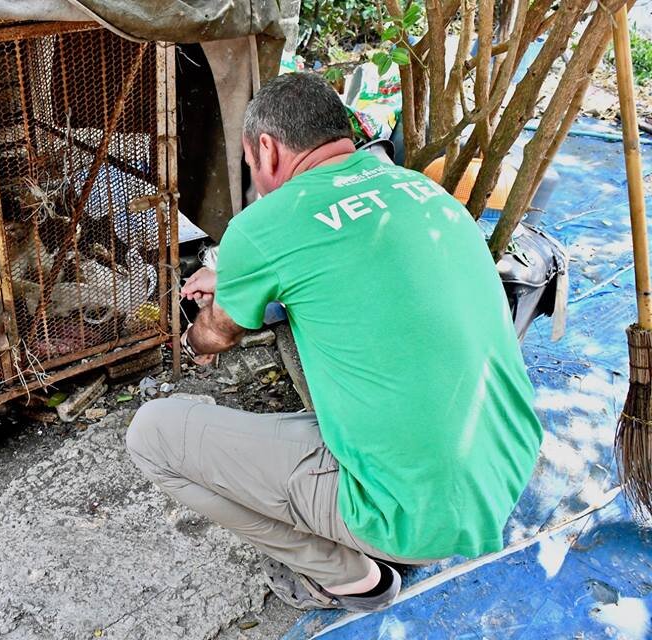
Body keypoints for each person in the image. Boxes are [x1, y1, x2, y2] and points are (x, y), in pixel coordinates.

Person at [125, 73, 543, 612]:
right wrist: (238, 281)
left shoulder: (266, 222)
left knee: (153, 435)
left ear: (268, 150)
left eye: (252, 166)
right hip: (506, 468)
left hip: (419, 517)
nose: (255, 179)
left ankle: (351, 577)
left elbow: (216, 334)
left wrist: (196, 328)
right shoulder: (423, 190)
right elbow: (333, 268)